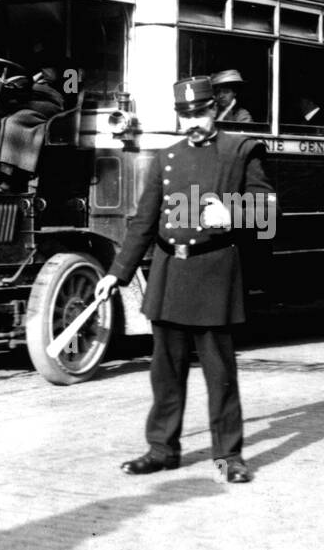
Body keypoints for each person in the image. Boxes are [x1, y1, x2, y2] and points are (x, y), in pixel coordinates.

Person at [94, 75, 276, 484]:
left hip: (214, 274)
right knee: (165, 373)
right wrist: (115, 274)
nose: (194, 121)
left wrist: (234, 215)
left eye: (201, 112)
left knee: (220, 375)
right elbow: (143, 222)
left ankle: (229, 456)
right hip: (170, 273)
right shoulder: (166, 157)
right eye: (186, 115)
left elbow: (269, 210)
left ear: (216, 110)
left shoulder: (240, 151)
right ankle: (162, 450)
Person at [0, 65, 66, 192]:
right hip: (25, 96)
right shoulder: (31, 59)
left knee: (13, 121)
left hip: (50, 100)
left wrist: (49, 78)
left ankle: (8, 176)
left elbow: (71, 92)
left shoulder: (68, 66)